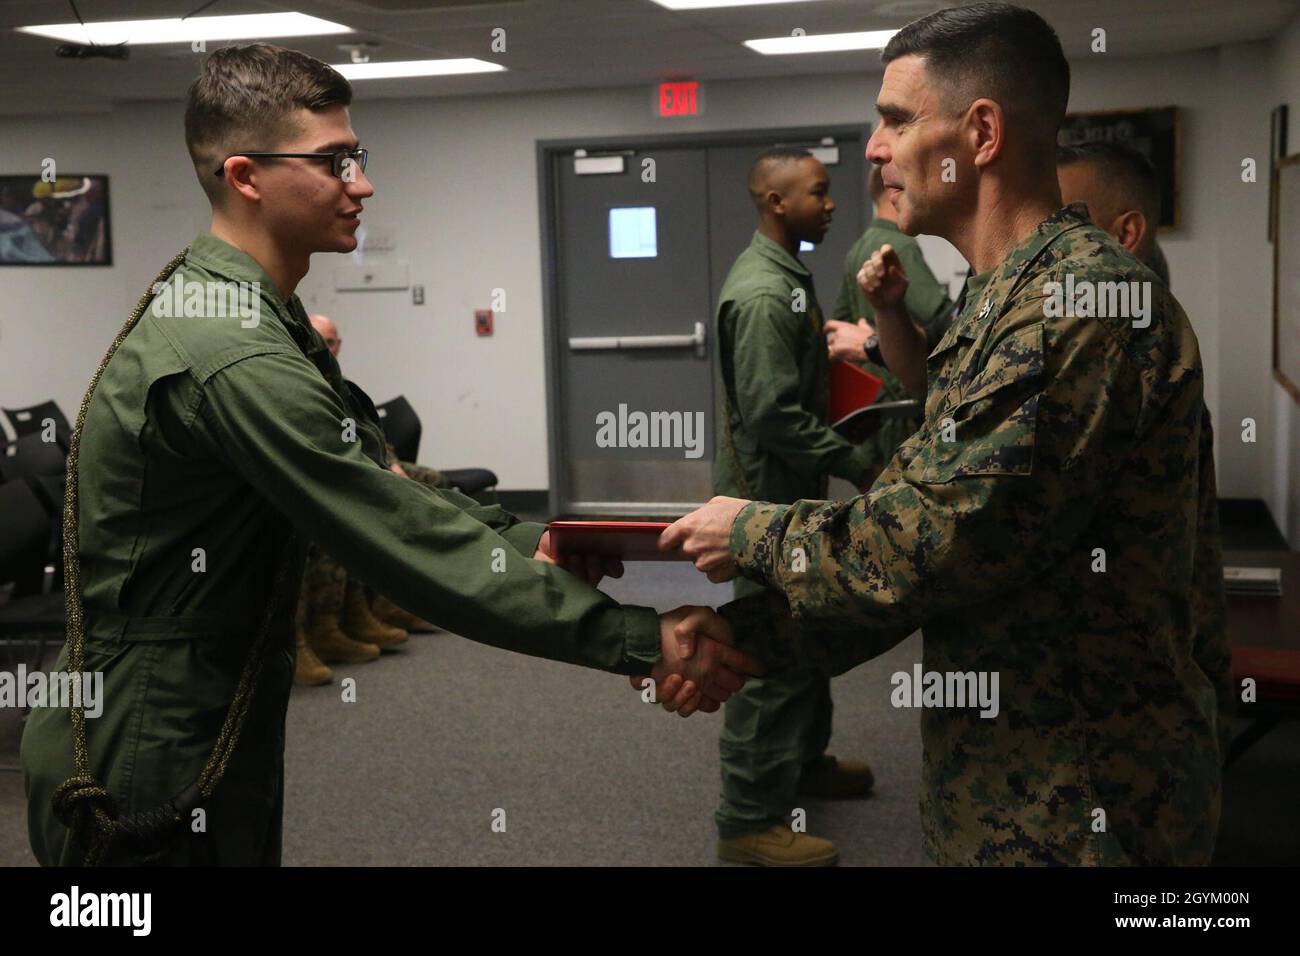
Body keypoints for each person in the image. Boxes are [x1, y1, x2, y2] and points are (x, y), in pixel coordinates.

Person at [21, 43, 762, 867]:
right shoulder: (233, 351)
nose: (361, 183)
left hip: (205, 696)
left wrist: (538, 546)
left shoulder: (256, 315)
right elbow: (395, 537)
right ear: (245, 176)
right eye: (335, 161)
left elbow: (390, 483)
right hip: (143, 726)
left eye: (357, 156)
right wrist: (634, 639)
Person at [659, 1, 1229, 866]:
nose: (875, 149)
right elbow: (951, 555)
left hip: (1083, 805)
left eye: (894, 119)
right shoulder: (998, 302)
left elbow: (924, 548)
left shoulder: (1074, 310)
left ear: (983, 135)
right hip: (1014, 783)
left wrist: (748, 529)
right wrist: (746, 643)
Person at [710, 147, 879, 867]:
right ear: (778, 204)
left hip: (793, 500)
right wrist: (861, 463)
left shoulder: (788, 279)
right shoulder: (760, 292)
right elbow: (774, 414)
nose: (832, 203)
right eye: (819, 193)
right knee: (768, 656)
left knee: (809, 633)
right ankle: (747, 822)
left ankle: (803, 764)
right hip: (765, 508)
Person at [824, 163, 954, 461]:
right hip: (900, 399)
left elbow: (840, 321)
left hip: (874, 403)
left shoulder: (859, 247)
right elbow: (945, 321)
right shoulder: (898, 246)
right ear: (892, 190)